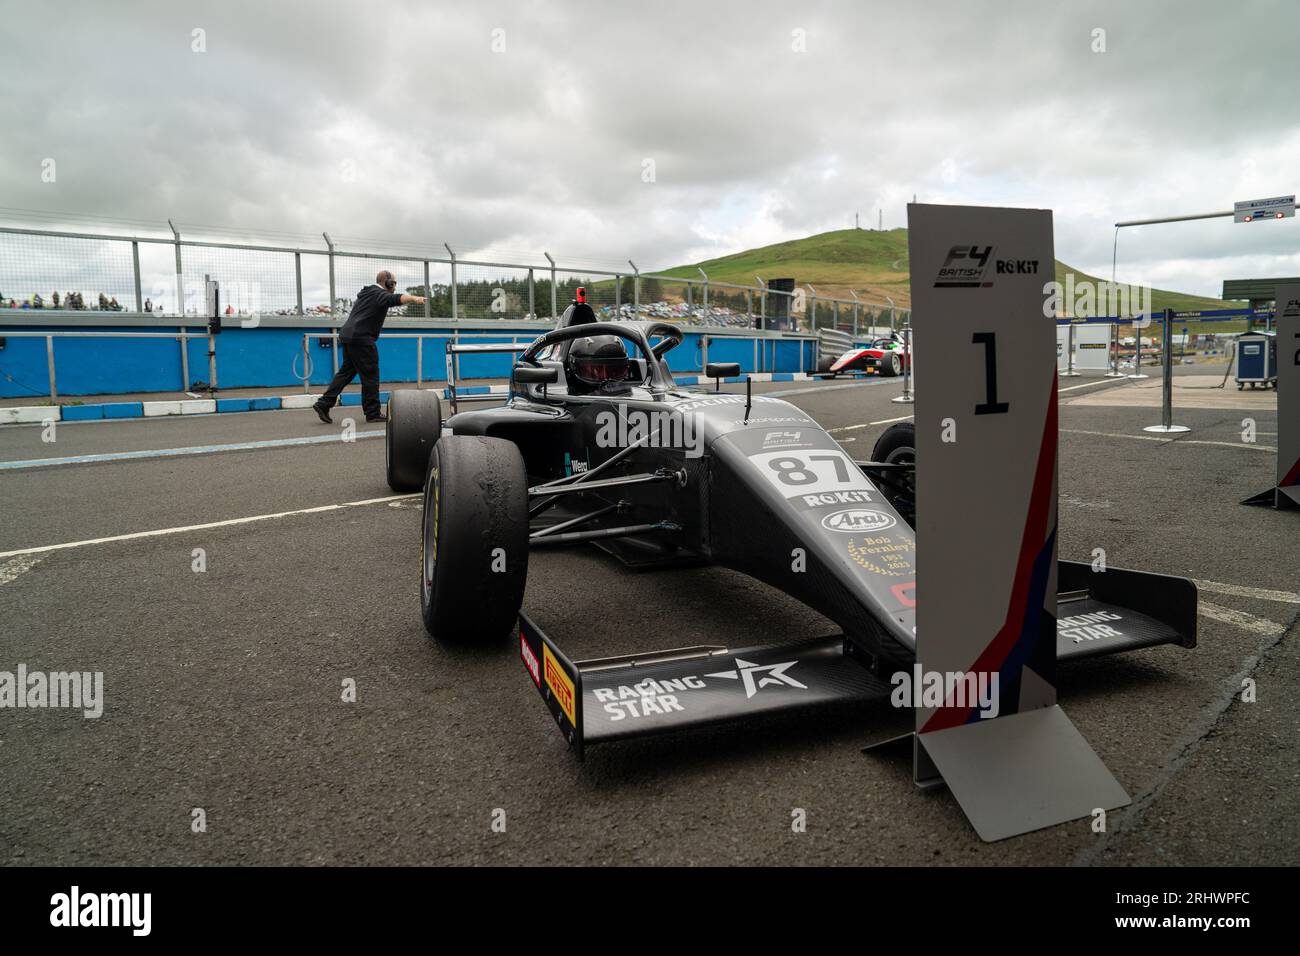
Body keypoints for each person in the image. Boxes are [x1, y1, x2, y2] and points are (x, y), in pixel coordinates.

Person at [314, 270, 425, 423]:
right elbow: (395, 298)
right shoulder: (379, 294)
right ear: (388, 283)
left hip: (348, 336)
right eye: (394, 282)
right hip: (361, 339)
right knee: (371, 375)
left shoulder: (368, 293)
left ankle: (324, 403)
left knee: (346, 373)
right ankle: (372, 413)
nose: (395, 285)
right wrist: (414, 298)